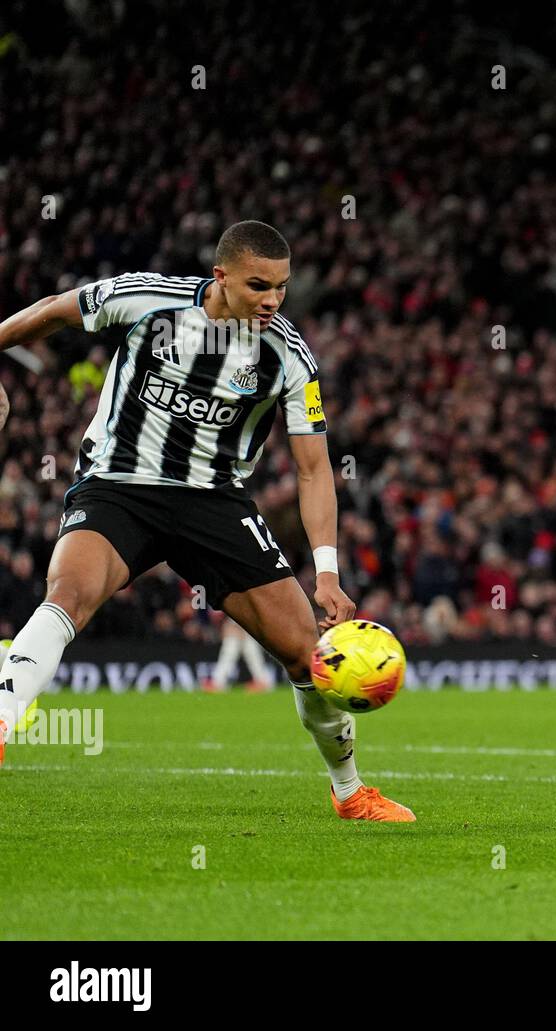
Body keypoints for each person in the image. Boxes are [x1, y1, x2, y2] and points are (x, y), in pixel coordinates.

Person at [0, 220, 413, 821]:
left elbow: (314, 470)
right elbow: (57, 310)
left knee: (308, 655)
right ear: (220, 277)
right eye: (258, 286)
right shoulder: (148, 301)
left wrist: (326, 571)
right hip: (121, 485)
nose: (272, 301)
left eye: (282, 288)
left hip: (214, 501)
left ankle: (350, 793)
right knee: (69, 592)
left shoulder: (289, 358)